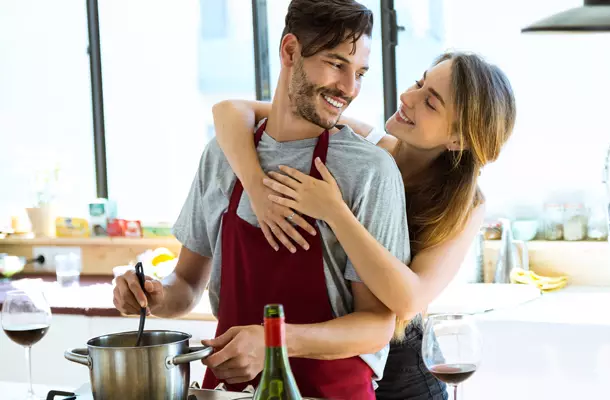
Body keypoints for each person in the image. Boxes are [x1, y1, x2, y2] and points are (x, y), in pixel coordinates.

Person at [113, 1, 411, 399]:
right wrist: (154, 295)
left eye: (359, 73)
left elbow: (378, 324)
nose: (350, 88)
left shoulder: (370, 170)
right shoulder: (223, 155)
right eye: (336, 64)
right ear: (290, 51)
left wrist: (274, 342)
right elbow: (185, 283)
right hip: (230, 393)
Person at [211, 51, 517, 399]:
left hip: (404, 378)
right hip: (331, 362)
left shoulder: (465, 204)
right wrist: (255, 187)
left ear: (458, 140)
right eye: (419, 83)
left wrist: (336, 213)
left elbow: (409, 301)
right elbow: (230, 111)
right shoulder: (359, 143)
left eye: (430, 102)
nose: (407, 97)